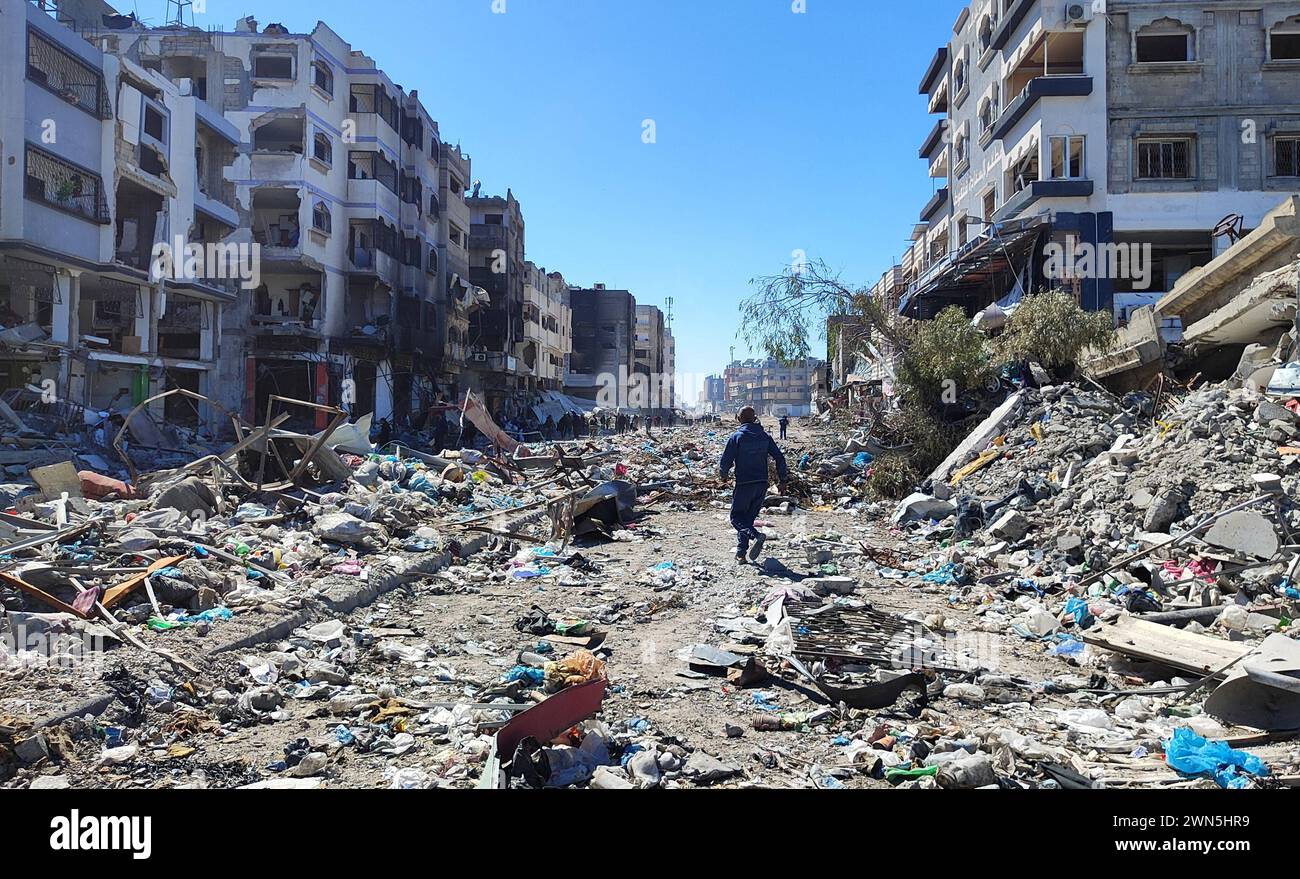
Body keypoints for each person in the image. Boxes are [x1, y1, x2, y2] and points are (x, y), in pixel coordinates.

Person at [720, 406, 788, 564]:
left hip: (744, 483)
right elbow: (780, 458)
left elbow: (726, 461)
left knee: (736, 517)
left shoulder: (736, 437)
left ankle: (756, 536)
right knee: (747, 519)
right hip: (762, 484)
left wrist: (723, 475)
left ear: (739, 418)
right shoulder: (764, 436)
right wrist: (782, 480)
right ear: (754, 418)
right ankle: (741, 553)